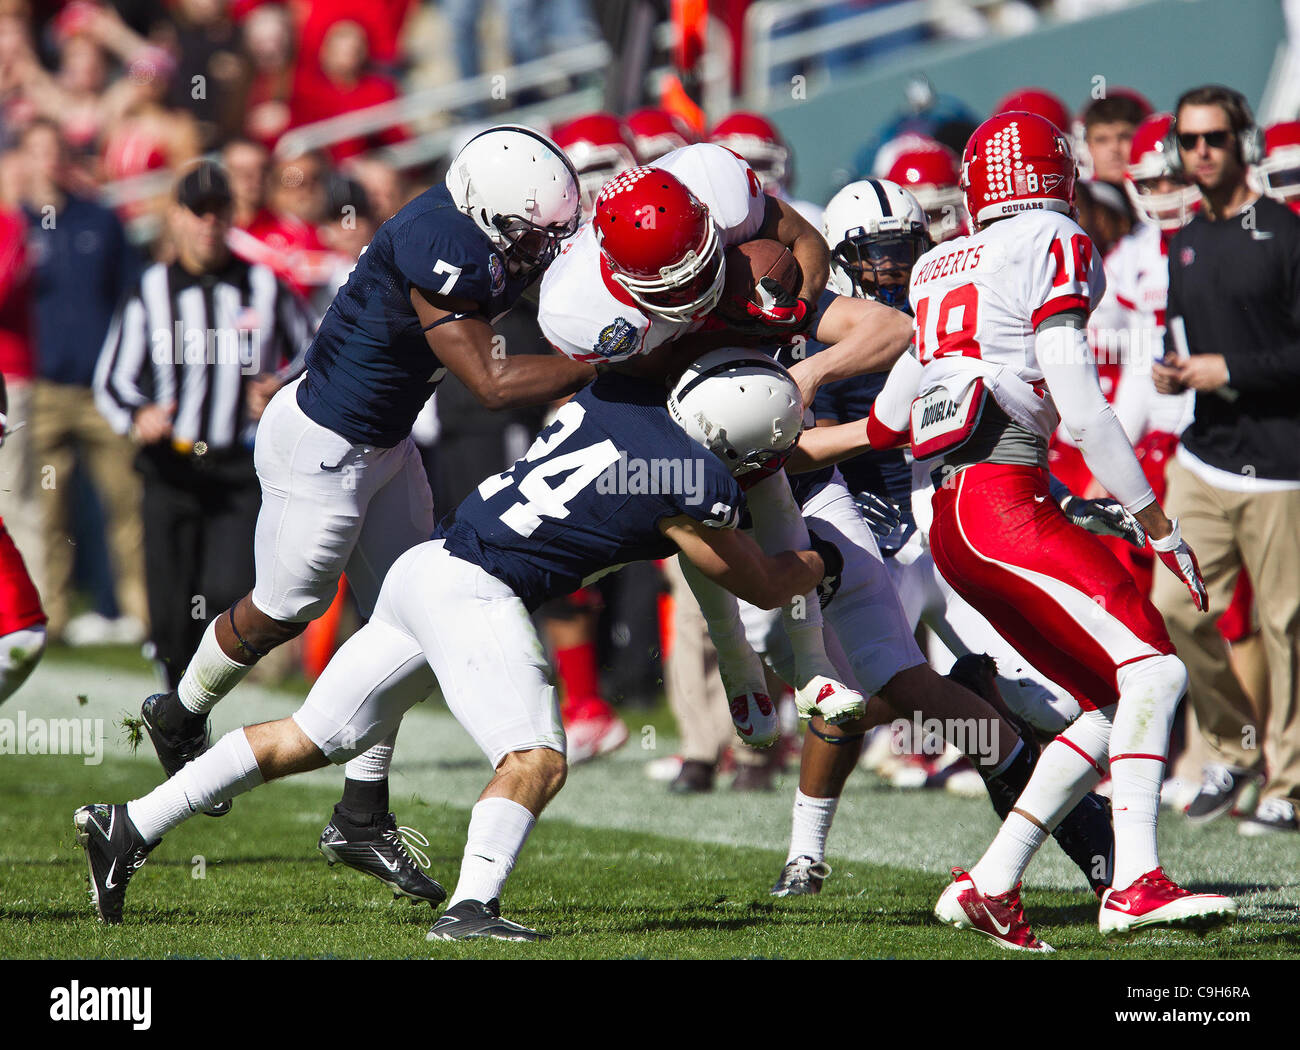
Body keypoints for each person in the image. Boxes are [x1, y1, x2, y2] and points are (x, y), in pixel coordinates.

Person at [74, 352, 835, 935]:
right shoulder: (692, 482)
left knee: (311, 737)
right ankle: (471, 907)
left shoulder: (616, 396)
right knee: (535, 759)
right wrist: (823, 557)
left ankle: (129, 824)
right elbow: (764, 583)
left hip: (427, 567)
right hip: (478, 590)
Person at [130, 127, 593, 908]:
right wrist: (606, 363)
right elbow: (490, 378)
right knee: (287, 608)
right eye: (526, 232)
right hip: (320, 449)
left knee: (407, 619)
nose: (536, 248)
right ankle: (180, 708)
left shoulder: (481, 231)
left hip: (385, 444)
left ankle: (361, 812)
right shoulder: (440, 242)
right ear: (484, 209)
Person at [866, 112, 1234, 949]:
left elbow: (891, 420)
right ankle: (1134, 882)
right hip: (1003, 500)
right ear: (1054, 176)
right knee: (1156, 673)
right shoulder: (1051, 239)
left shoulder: (934, 265)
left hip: (957, 516)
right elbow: (1081, 407)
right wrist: (1155, 521)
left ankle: (992, 882)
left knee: (1113, 699)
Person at [765, 178, 1120, 897]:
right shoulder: (833, 336)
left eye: (901, 252)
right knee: (847, 697)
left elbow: (998, 428)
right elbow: (798, 445)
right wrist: (879, 433)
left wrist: (1059, 499)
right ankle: (807, 851)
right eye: (873, 256)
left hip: (949, 521)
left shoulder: (950, 312)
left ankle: (1100, 842)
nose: (890, 270)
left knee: (1038, 699)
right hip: (870, 527)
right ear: (840, 260)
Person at [94, 161, 312, 693]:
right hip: (171, 462)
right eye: (198, 212)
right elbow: (112, 378)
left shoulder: (263, 283)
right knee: (170, 604)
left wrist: (280, 386)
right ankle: (172, 684)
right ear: (176, 217)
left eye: (219, 212)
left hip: (236, 465)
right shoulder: (150, 288)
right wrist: (138, 414)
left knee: (226, 589)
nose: (209, 223)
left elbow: (312, 352)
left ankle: (195, 699)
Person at [1151, 86, 1300, 835]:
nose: (1201, 151)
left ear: (1242, 140)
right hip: (1204, 456)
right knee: (1174, 603)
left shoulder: (1284, 231)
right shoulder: (1184, 238)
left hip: (1281, 462)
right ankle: (1234, 745)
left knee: (1286, 624)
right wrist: (1173, 370)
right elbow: (1186, 339)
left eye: (1214, 137)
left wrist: (1226, 368)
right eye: (1190, 139)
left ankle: (1292, 782)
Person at [20, 118, 148, 644]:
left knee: (127, 502)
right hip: (42, 388)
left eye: (56, 149)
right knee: (45, 509)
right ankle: (48, 615)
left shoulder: (102, 219)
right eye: (37, 150)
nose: (48, 160)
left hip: (103, 390)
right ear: (24, 158)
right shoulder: (15, 227)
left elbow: (133, 300)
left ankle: (143, 614)